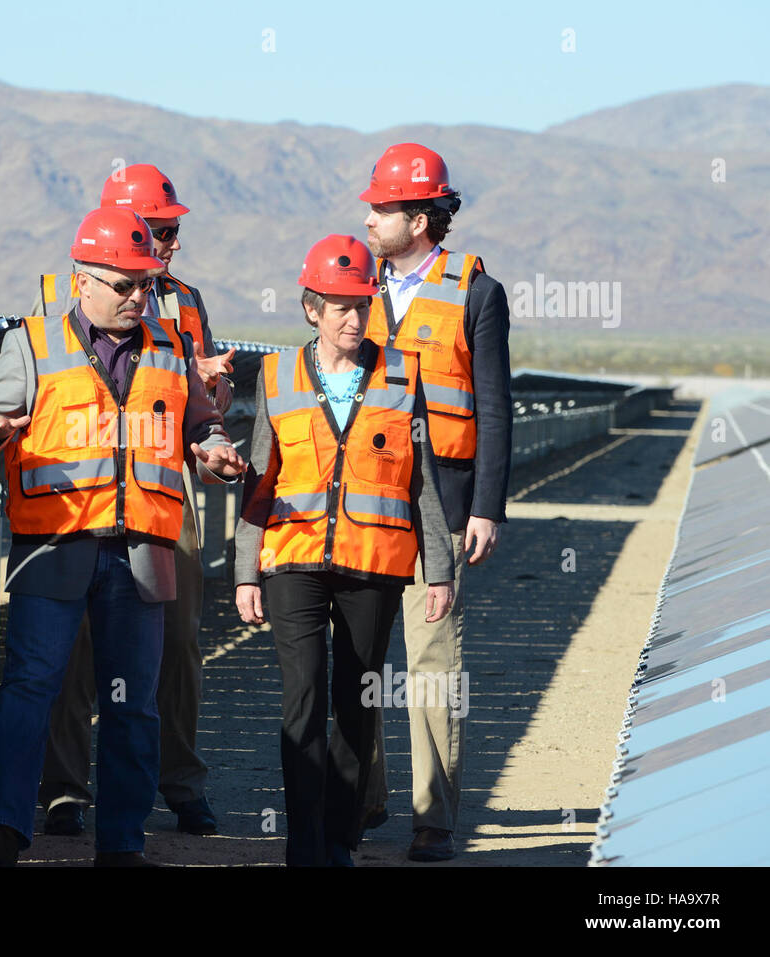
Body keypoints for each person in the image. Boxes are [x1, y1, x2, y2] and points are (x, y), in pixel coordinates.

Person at [0, 206, 246, 867]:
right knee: (32, 683)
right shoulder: (31, 344)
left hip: (141, 549)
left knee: (133, 703)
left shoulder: (170, 348)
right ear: (81, 279)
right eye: (124, 284)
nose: (139, 296)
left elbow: (201, 424)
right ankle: (0, 827)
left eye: (144, 283)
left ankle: (122, 841)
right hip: (53, 545)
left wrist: (217, 449)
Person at [234, 234, 455, 867]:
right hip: (292, 560)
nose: (354, 319)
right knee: (301, 698)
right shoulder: (277, 376)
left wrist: (438, 570)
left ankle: (340, 839)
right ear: (311, 309)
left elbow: (423, 484)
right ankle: (303, 846)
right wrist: (246, 570)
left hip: (373, 564)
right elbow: (259, 478)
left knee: (357, 700)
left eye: (362, 305)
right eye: (340, 307)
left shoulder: (402, 375)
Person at [31, 164, 234, 837]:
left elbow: (202, 407)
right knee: (75, 639)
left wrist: (213, 396)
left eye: (174, 231)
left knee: (176, 640)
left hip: (160, 492)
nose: (171, 245)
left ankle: (179, 782)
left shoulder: (186, 301)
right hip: (80, 494)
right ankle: (65, 786)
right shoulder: (59, 296)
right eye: (161, 230)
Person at [356, 144, 512, 862]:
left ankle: (432, 817)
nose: (368, 218)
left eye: (381, 208)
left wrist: (486, 506)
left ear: (419, 218)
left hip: (442, 508)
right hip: (364, 504)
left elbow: (494, 404)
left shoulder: (477, 293)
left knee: (432, 662)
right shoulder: (353, 291)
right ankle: (362, 798)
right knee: (360, 655)